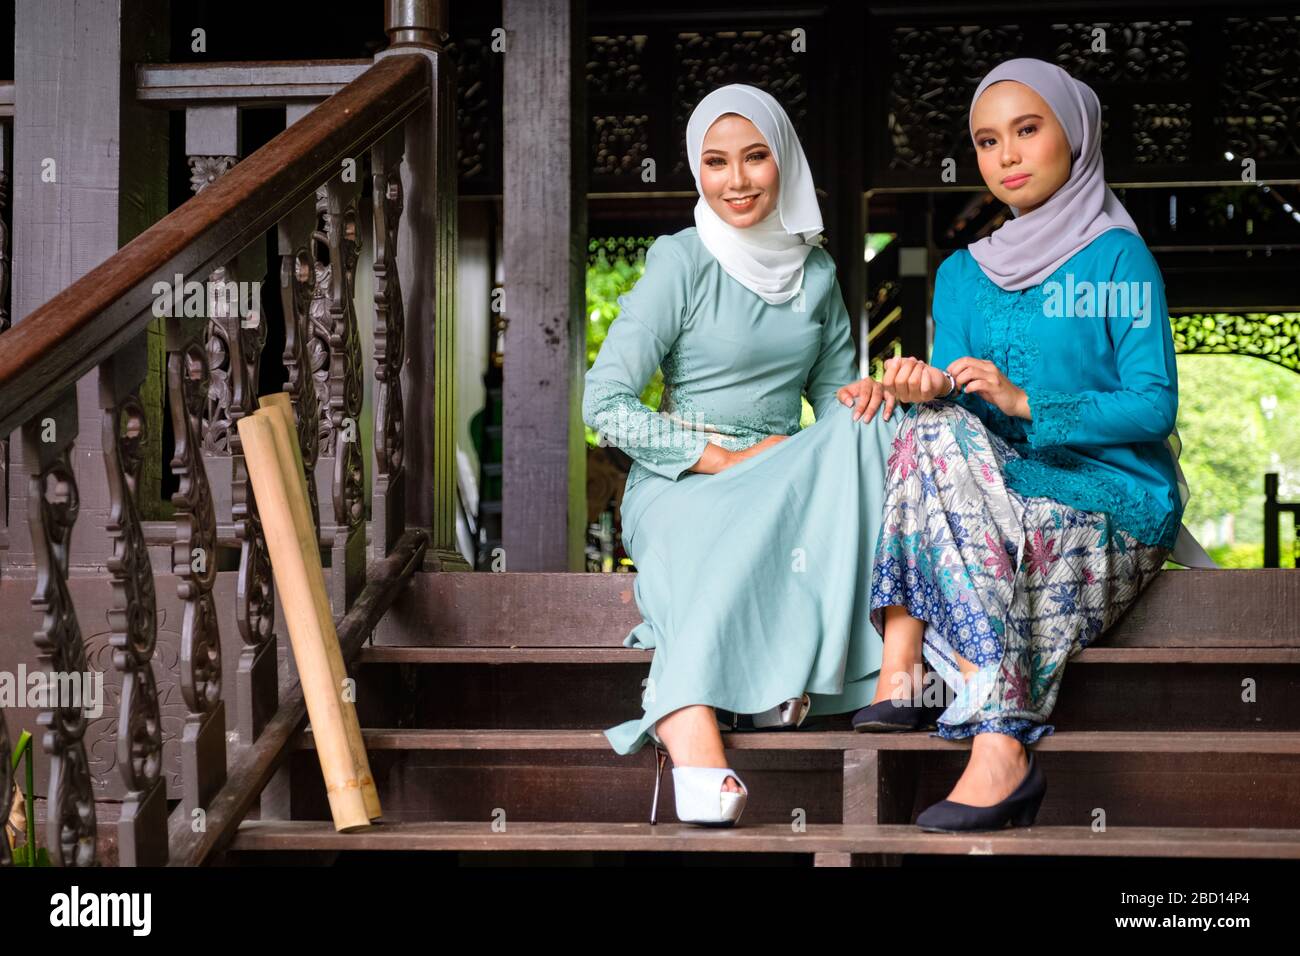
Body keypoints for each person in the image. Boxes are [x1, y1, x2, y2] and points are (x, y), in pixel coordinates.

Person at [855, 57, 1201, 833]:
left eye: (1026, 130)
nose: (1005, 155)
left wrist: (1026, 399)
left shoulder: (1116, 258)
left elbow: (1153, 405)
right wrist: (925, 385)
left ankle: (991, 734)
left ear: (1074, 137)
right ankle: (930, 686)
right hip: (1002, 488)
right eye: (986, 140)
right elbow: (964, 423)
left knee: (1016, 533)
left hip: (1109, 493)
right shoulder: (959, 274)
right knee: (929, 423)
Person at [582, 84, 900, 826]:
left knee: (873, 425)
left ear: (783, 161)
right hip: (685, 478)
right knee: (715, 536)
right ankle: (692, 723)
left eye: (755, 157)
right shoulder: (680, 261)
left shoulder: (815, 274)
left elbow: (840, 401)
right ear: (698, 171)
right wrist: (721, 459)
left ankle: (822, 674)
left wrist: (896, 395)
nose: (736, 180)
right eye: (716, 162)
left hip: (783, 476)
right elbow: (603, 404)